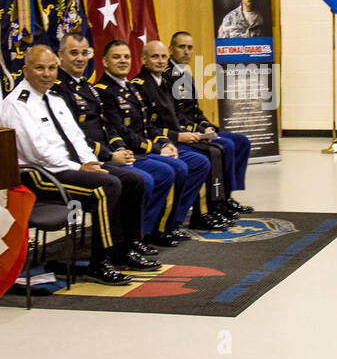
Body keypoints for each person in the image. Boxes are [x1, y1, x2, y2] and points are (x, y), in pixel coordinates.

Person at [0, 45, 159, 284]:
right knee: (108, 186)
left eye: (52, 68)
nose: (47, 73)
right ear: (25, 70)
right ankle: (101, 262)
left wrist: (90, 162)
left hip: (70, 167)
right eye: (39, 68)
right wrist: (79, 169)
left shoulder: (54, 98)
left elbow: (76, 138)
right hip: (41, 174)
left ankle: (127, 249)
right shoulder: (16, 104)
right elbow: (38, 152)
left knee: (132, 179)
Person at [55, 32, 180, 248]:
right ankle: (125, 242)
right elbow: (74, 136)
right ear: (61, 55)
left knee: (168, 171)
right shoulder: (60, 89)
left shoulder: (89, 88)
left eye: (84, 53)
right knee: (143, 179)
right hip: (86, 159)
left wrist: (120, 148)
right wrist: (112, 154)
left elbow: (107, 127)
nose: (80, 58)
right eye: (73, 53)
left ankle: (140, 235)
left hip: (112, 152)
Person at [93, 40, 213, 234]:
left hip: (146, 148)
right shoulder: (104, 91)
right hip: (132, 152)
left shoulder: (130, 88)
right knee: (173, 169)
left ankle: (169, 222)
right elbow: (122, 132)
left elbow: (148, 124)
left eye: (126, 57)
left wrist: (165, 143)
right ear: (105, 62)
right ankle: (149, 230)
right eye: (117, 57)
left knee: (199, 162)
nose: (123, 61)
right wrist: (158, 148)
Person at [132, 40, 235, 227]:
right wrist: (177, 137)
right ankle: (187, 217)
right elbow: (148, 127)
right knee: (204, 158)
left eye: (163, 57)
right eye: (155, 56)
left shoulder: (164, 83)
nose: (161, 61)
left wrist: (198, 130)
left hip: (173, 138)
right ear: (144, 59)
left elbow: (177, 117)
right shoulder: (140, 86)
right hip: (157, 143)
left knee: (212, 150)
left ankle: (205, 210)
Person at [168, 30, 252, 214]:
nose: (186, 52)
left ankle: (227, 194)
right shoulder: (167, 76)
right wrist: (199, 130)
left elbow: (195, 111)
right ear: (171, 49)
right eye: (181, 47)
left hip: (199, 129)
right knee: (227, 145)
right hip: (185, 133)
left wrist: (207, 125)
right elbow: (175, 116)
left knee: (242, 142)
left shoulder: (185, 75)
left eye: (190, 48)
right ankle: (219, 199)